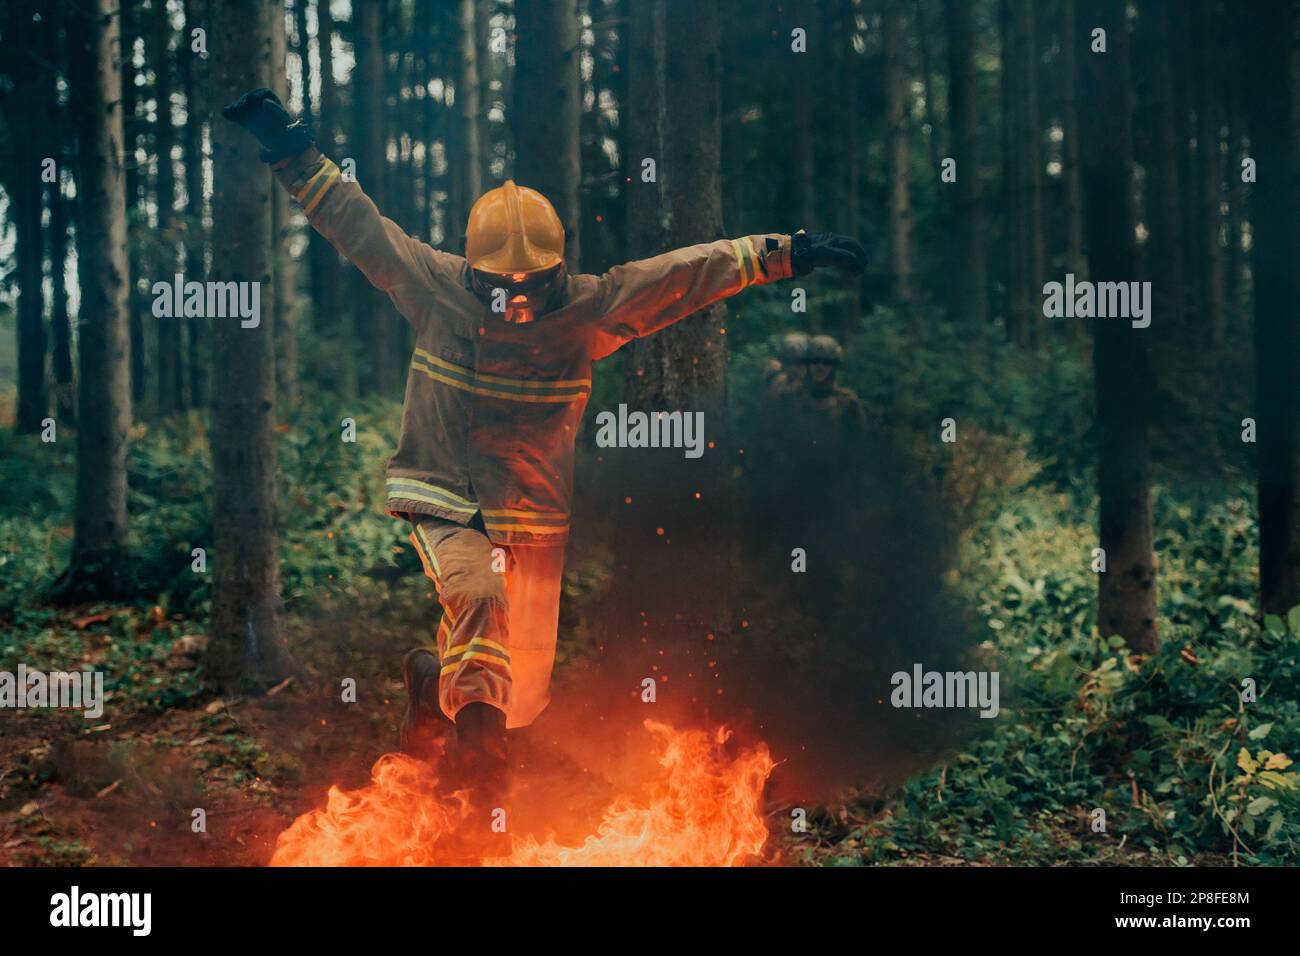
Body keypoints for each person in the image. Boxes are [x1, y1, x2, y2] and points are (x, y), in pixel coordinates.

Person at [221, 88, 866, 806]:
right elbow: (356, 223)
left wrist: (785, 253)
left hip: (534, 520)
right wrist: (289, 150)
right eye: (503, 288)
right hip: (447, 494)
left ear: (558, 272)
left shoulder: (593, 307)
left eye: (532, 287)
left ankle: (434, 696)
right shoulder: (433, 286)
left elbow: (684, 276)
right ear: (474, 270)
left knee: (517, 697)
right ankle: (478, 779)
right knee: (478, 594)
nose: (519, 302)